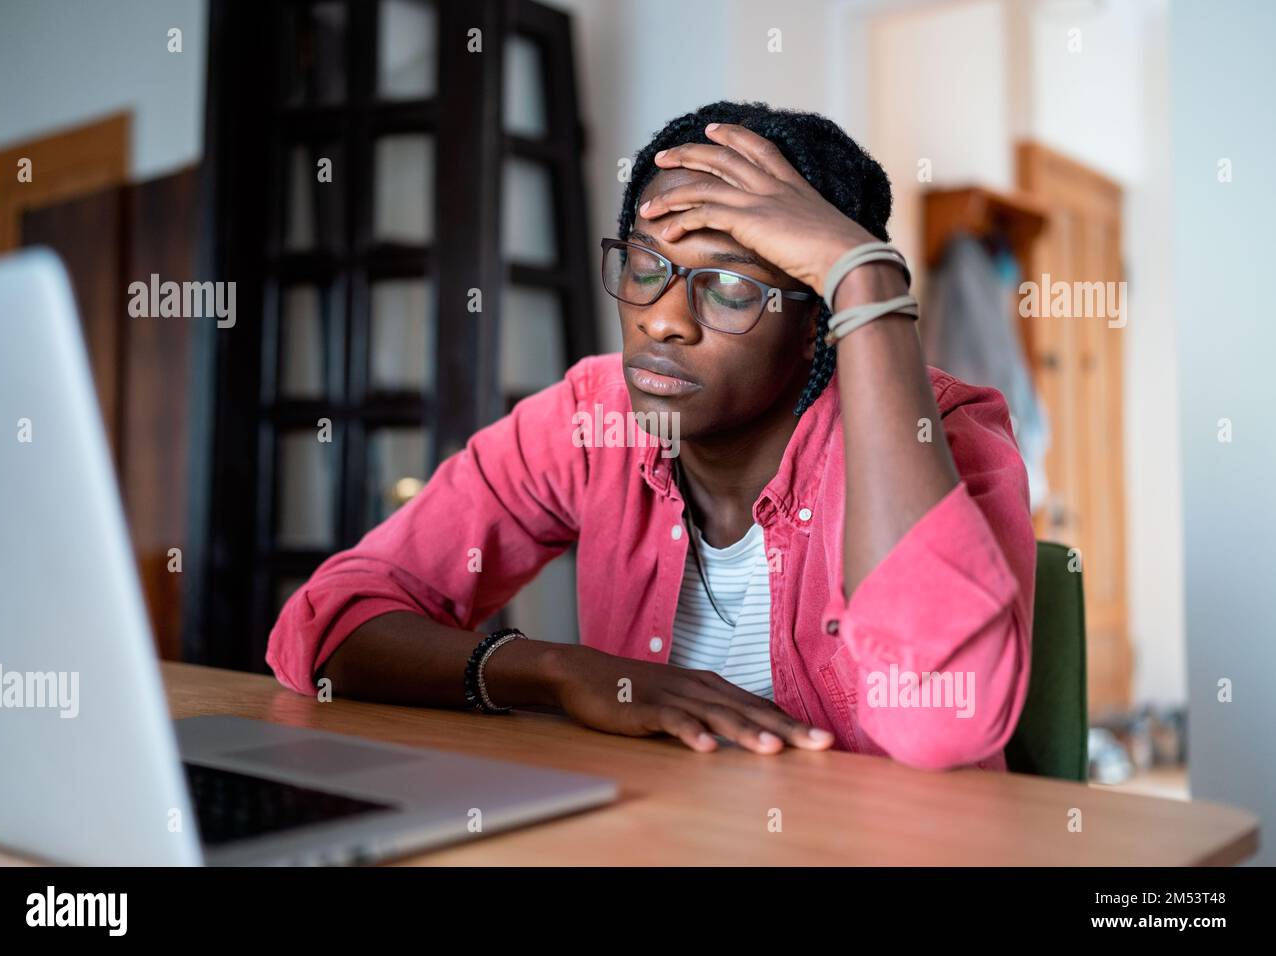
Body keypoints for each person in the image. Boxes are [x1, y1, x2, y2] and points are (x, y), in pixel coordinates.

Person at [267, 101, 1035, 771]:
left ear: (818, 324)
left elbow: (941, 721)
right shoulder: (591, 418)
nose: (663, 317)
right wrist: (559, 671)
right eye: (645, 266)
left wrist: (867, 278)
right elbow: (328, 623)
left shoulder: (947, 430)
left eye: (731, 286)